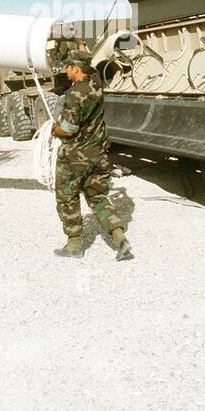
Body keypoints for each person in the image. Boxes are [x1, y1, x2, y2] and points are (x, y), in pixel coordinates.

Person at [51, 54, 134, 261]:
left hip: (75, 159)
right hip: (98, 155)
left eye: (67, 68)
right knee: (98, 198)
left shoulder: (74, 94)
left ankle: (74, 245)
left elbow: (69, 129)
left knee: (67, 198)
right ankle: (120, 240)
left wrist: (54, 129)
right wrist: (79, 44)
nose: (65, 71)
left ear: (76, 68)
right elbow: (89, 63)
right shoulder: (96, 84)